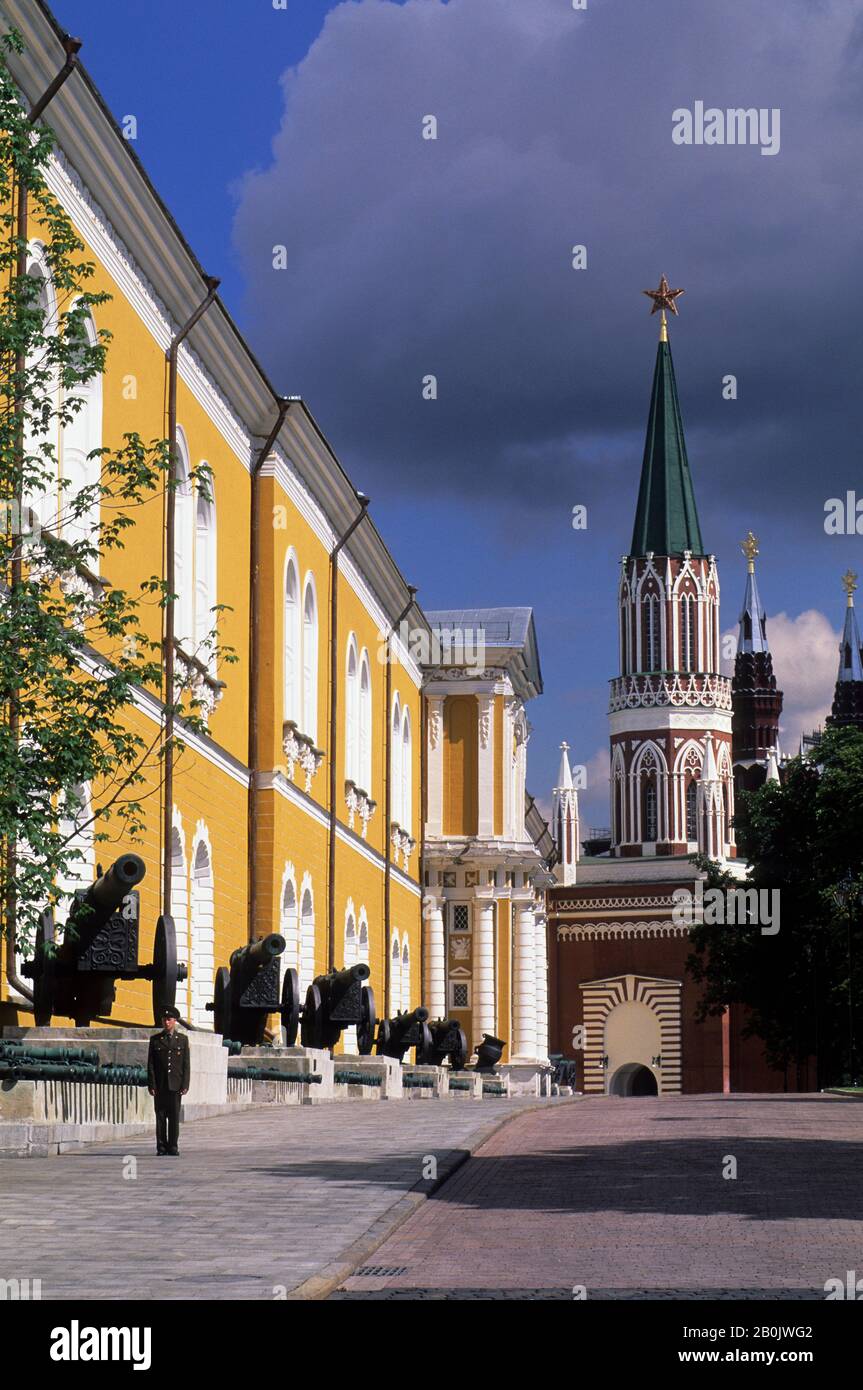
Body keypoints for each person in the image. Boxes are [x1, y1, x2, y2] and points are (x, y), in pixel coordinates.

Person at [147, 1006, 190, 1156]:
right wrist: (152, 1084)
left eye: (169, 1020)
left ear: (175, 1021)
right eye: (164, 1020)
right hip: (160, 1085)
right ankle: (161, 1147)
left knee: (173, 1117)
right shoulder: (155, 1040)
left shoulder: (182, 1040)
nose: (166, 1022)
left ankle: (173, 1146)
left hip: (175, 1085)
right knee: (160, 1118)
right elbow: (151, 1064)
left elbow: (186, 1064)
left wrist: (185, 1084)